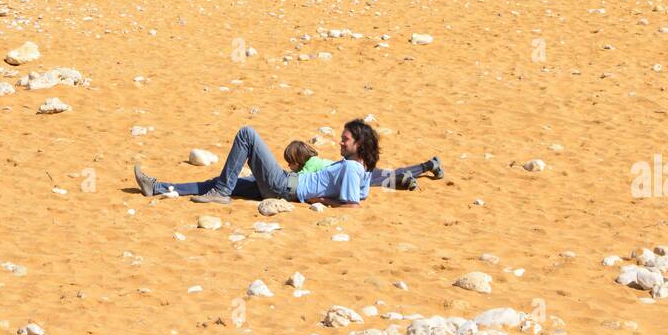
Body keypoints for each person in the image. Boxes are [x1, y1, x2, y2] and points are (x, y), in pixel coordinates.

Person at [133, 119, 380, 207]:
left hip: (285, 187)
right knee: (219, 181)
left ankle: (221, 193)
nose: (340, 143)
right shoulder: (361, 171)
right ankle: (158, 188)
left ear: (359, 144)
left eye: (345, 140)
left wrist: (320, 200)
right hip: (285, 186)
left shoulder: (350, 167)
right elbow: (361, 195)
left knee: (247, 134)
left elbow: (352, 205)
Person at [283, 140, 443, 191]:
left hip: (350, 174)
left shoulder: (310, 165)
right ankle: (428, 165)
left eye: (290, 163)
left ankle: (403, 179)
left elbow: (301, 180)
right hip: (355, 167)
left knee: (378, 181)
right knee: (385, 174)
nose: (289, 166)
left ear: (298, 160)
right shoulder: (315, 161)